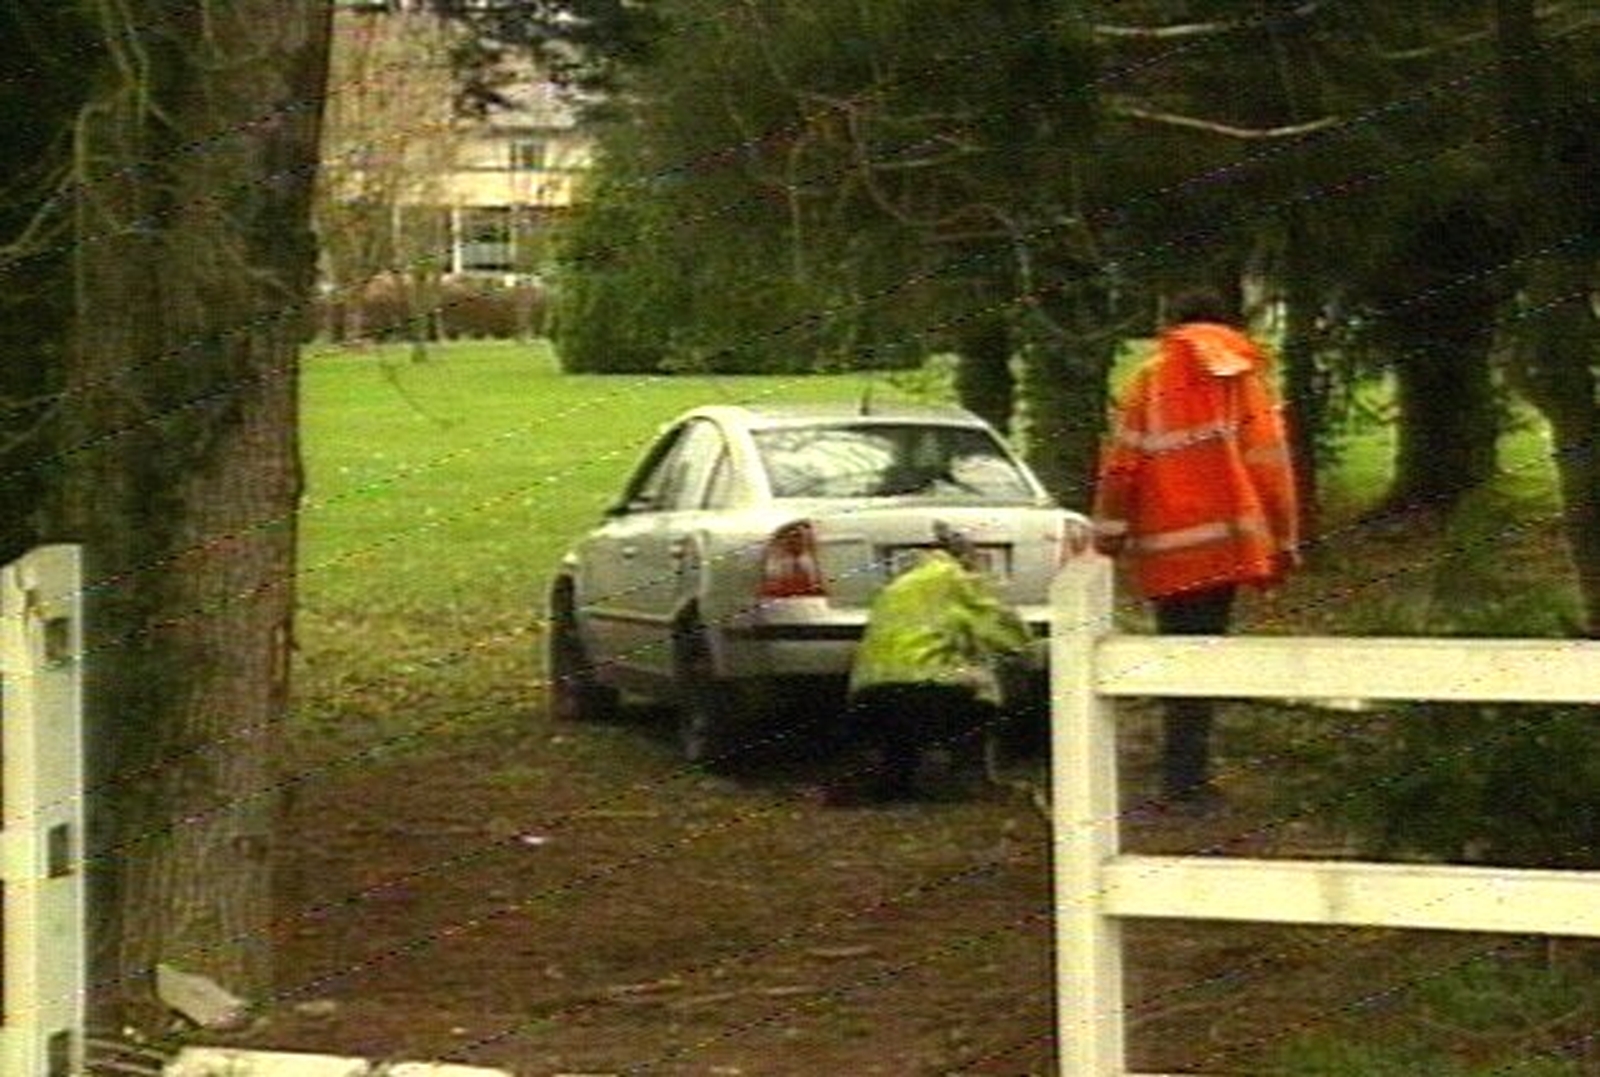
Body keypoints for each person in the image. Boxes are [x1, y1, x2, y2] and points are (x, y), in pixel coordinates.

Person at [1092, 288, 1300, 813]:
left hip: (1165, 551)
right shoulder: (1245, 380)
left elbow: (1122, 466)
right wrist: (1282, 542)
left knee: (1175, 654)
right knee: (1206, 655)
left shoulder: (1149, 380)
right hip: (1228, 546)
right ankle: (1189, 777)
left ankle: (1179, 775)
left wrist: (1108, 538)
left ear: (1171, 323)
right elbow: (1271, 465)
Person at [831, 521, 1033, 804]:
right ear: (965, 557)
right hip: (930, 694)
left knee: (899, 726)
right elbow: (1007, 637)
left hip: (868, 699)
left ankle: (894, 783)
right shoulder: (958, 580)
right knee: (986, 687)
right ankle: (972, 778)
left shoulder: (896, 587)